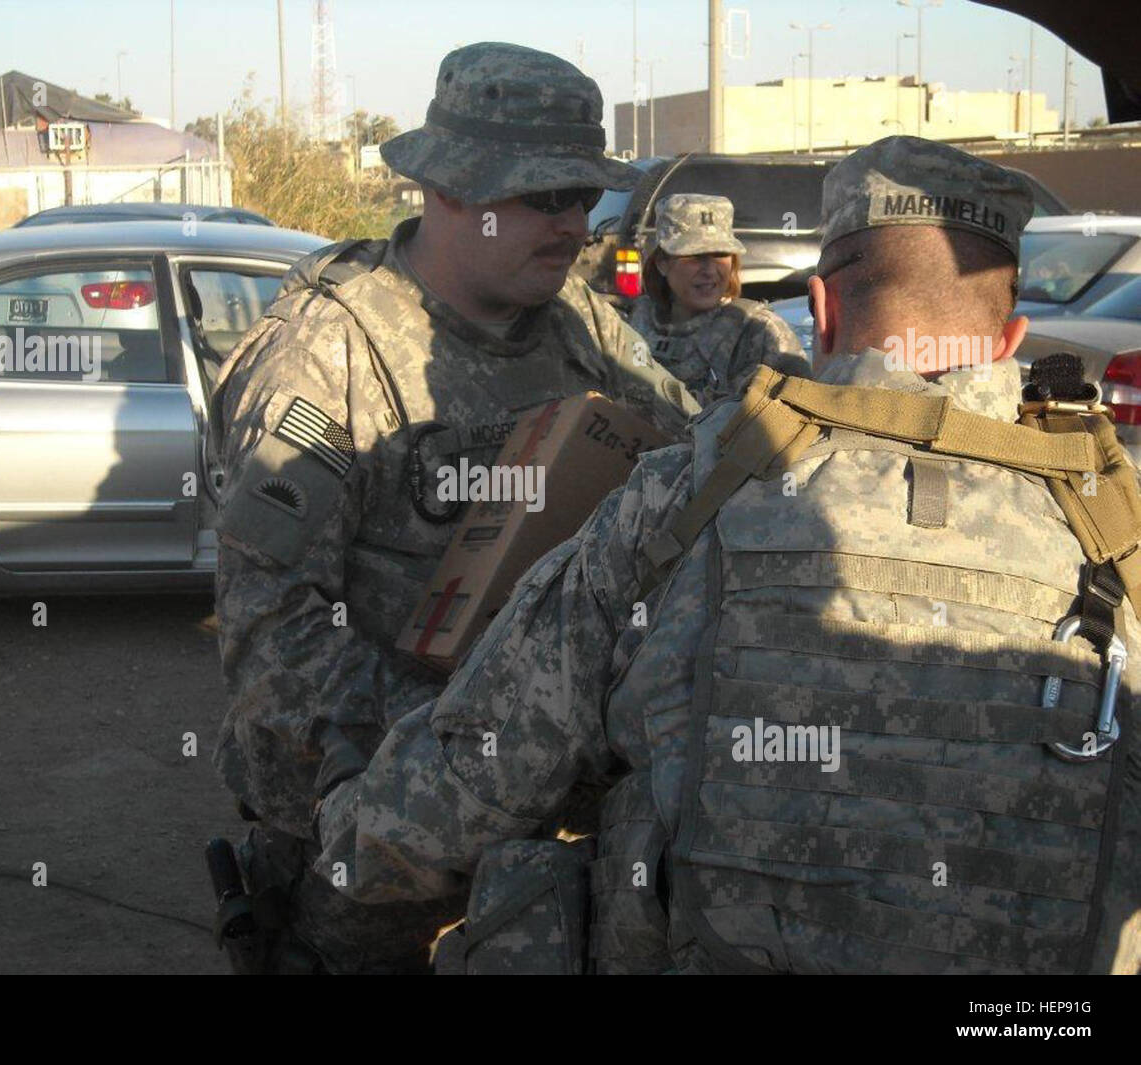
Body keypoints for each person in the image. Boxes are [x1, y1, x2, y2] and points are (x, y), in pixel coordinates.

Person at [311, 136, 1141, 975]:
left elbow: (463, 786)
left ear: (818, 308)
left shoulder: (692, 491)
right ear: (1013, 339)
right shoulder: (1119, 524)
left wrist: (342, 823)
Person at [210, 41, 700, 974]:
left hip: (544, 837)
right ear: (446, 189)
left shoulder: (580, 327)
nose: (573, 227)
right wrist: (482, 742)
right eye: (541, 197)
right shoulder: (326, 354)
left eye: (584, 199)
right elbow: (270, 634)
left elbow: (696, 456)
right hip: (380, 849)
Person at [627, 193, 808, 404]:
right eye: (694, 256)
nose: (709, 270)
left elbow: (804, 414)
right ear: (662, 263)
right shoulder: (637, 321)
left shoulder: (759, 331)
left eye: (720, 254)